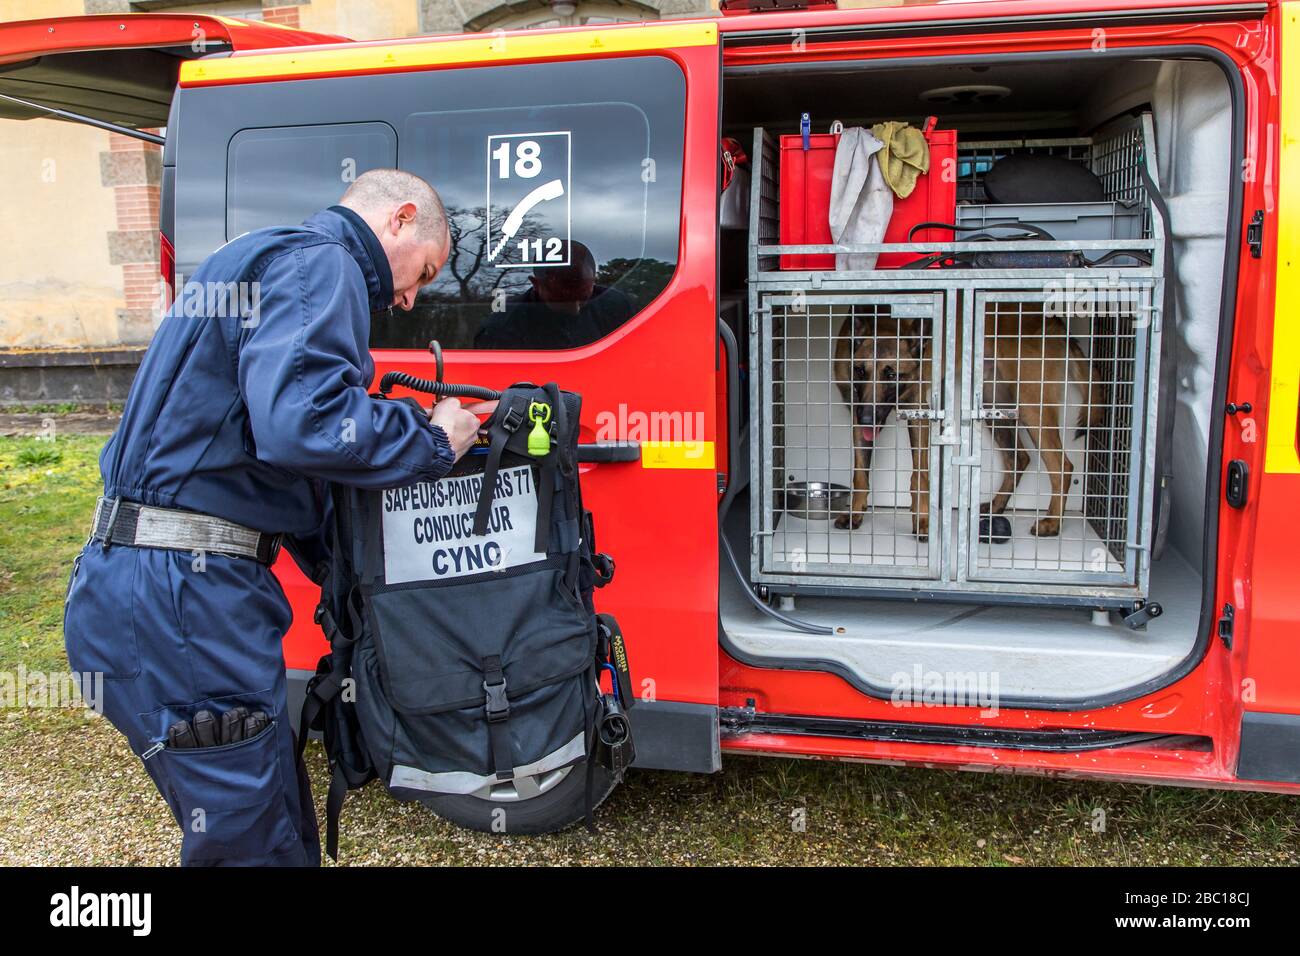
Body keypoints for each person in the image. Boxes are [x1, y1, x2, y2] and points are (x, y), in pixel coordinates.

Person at [62, 169, 488, 866]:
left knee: (271, 821)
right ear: (400, 220)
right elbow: (304, 426)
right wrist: (435, 439)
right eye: (425, 273)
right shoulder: (321, 263)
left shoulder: (254, 256)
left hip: (147, 588)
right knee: (254, 844)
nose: (410, 298)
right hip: (185, 601)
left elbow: (263, 454)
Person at [474, 240, 633, 349]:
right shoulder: (504, 323)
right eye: (561, 298)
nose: (575, 308)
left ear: (593, 281)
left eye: (584, 297)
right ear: (536, 284)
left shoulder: (614, 306)